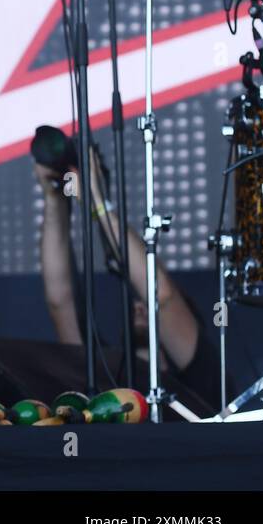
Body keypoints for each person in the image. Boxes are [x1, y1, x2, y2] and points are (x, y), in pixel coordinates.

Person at [33, 139, 226, 411]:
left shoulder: (200, 374)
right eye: (138, 304)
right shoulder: (104, 371)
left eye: (145, 304)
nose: (140, 306)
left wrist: (98, 201)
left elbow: (163, 296)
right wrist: (54, 199)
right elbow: (59, 302)